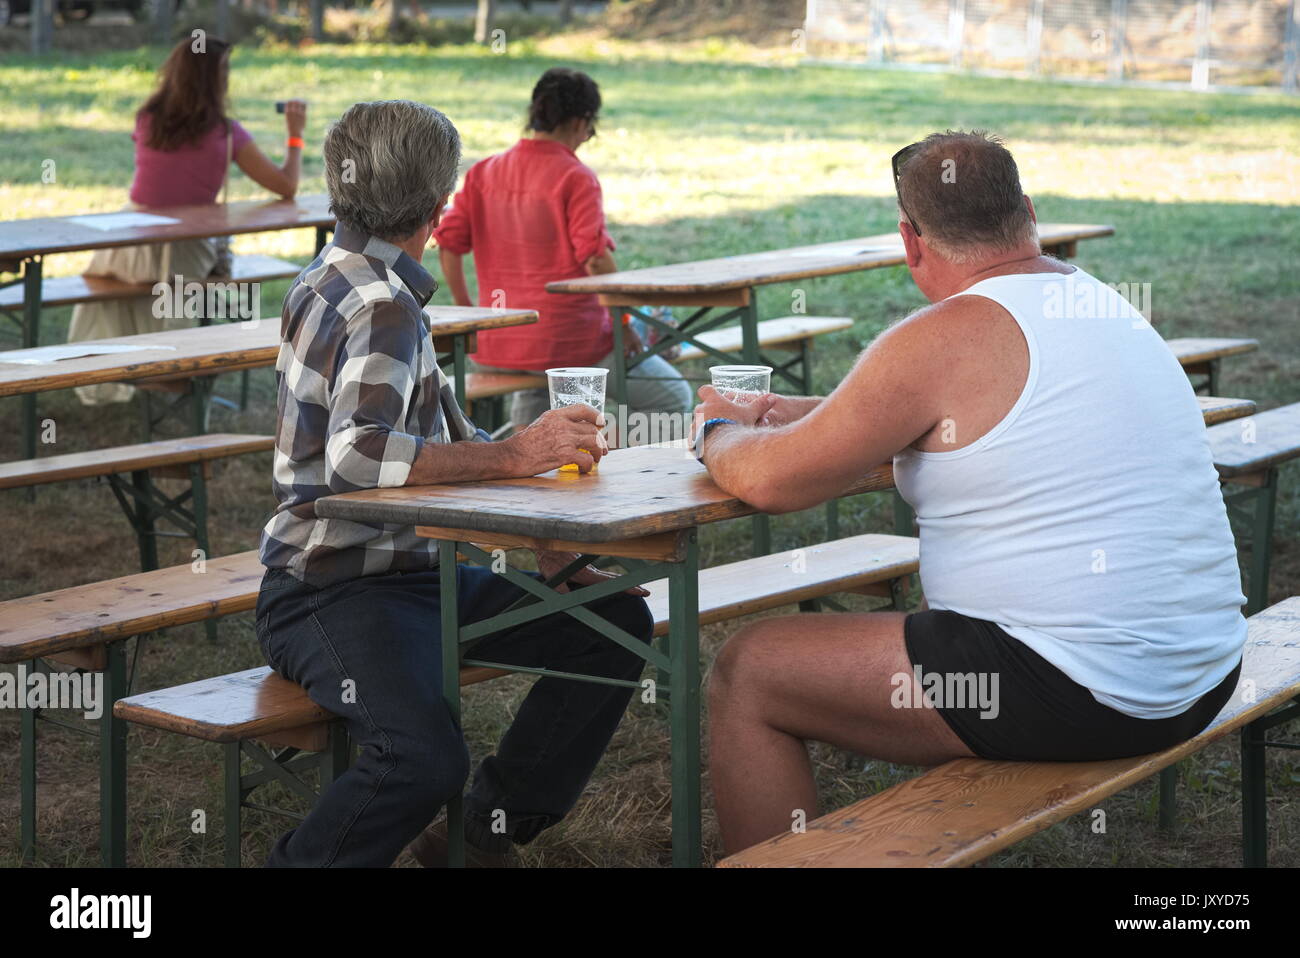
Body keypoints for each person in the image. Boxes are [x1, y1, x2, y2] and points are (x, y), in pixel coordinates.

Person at [692, 130, 1247, 855]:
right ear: (1027, 212)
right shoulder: (1104, 306)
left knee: (750, 670)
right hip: (1202, 671)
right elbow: (959, 408)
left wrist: (715, 433)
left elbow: (768, 481)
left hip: (1082, 690)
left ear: (909, 241)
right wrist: (820, 414)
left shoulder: (939, 337)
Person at [256, 99, 653, 868]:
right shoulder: (381, 304)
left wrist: (549, 551)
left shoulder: (345, 274)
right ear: (439, 204)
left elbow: (445, 450)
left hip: (413, 578)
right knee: (420, 758)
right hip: (331, 591)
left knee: (607, 622)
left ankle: (477, 835)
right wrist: (516, 456)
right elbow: (359, 457)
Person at [434, 67, 692, 436]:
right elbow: (595, 259)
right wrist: (622, 322)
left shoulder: (484, 172)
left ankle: (538, 463)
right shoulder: (575, 176)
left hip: (498, 345)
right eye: (591, 128)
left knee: (537, 394)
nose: (587, 137)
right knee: (672, 398)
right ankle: (613, 462)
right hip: (571, 345)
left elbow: (448, 243)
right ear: (580, 121)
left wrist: (470, 314)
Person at [67, 36, 305, 405]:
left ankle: (117, 369)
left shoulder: (147, 119)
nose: (228, 78)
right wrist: (295, 136)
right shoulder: (226, 133)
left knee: (135, 293)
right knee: (178, 289)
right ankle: (171, 372)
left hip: (124, 248)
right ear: (212, 80)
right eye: (224, 70)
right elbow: (286, 187)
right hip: (182, 253)